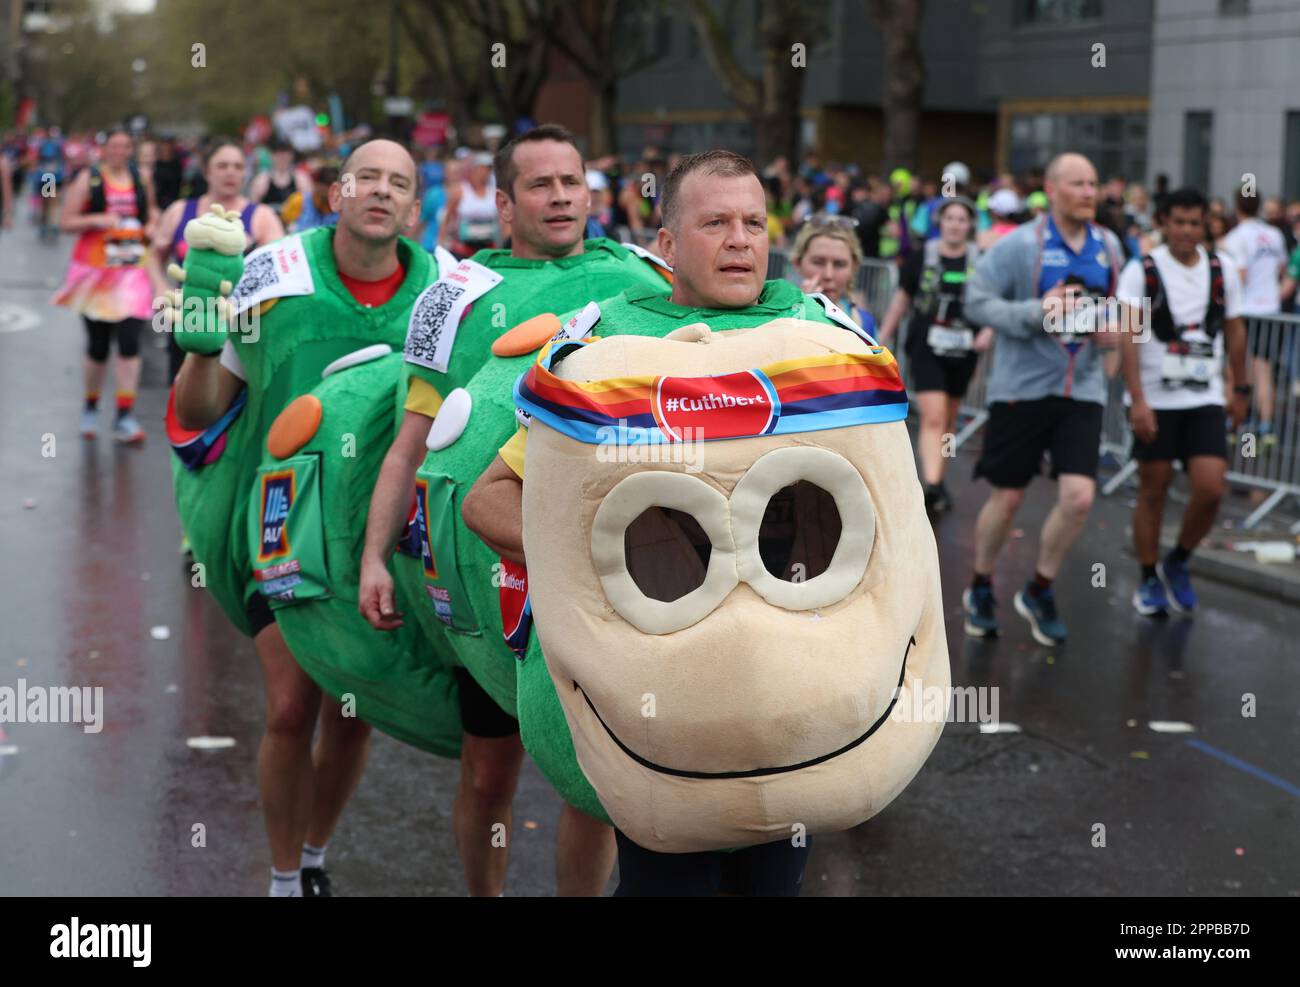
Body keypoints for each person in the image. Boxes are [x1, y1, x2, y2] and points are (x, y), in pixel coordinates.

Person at [461, 149, 864, 897]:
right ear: (669, 246)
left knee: (771, 882)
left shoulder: (819, 336)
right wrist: (611, 557)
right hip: (660, 693)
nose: (740, 239)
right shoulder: (606, 346)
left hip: (787, 682)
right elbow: (487, 500)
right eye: (715, 222)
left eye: (753, 222)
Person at [358, 125, 669, 897]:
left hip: (608, 566)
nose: (561, 196)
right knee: (490, 772)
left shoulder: (643, 279)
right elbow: (410, 443)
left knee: (592, 781)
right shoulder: (453, 297)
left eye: (572, 181)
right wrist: (372, 558)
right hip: (483, 573)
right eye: (540, 184)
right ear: (502, 202)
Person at [171, 140, 433, 896]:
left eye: (399, 183)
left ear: (415, 205)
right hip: (281, 518)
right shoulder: (271, 277)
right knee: (290, 707)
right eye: (366, 178)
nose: (381, 191)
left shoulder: (444, 290)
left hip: (379, 532)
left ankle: (314, 854)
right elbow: (199, 410)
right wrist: (198, 344)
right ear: (333, 194)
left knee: (353, 713)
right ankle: (283, 879)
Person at [963, 152, 1124, 646]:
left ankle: (1039, 588)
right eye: (1077, 184)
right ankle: (982, 585)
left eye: (1093, 183)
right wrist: (1038, 311)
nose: (1088, 193)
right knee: (1008, 497)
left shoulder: (1109, 247)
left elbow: (1123, 310)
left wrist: (1115, 329)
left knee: (1079, 497)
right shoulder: (1020, 247)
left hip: (1084, 389)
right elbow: (976, 301)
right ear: (1051, 191)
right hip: (1023, 389)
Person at [1116, 187, 1248, 616]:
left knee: (1211, 488)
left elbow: (1235, 330)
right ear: (1164, 223)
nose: (1187, 231)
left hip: (1205, 394)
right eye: (1179, 222)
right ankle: (1149, 577)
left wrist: (1239, 388)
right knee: (1154, 489)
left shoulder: (1222, 267)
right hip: (1155, 397)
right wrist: (1137, 400)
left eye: (1195, 223)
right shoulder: (1142, 270)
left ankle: (1179, 560)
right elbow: (1129, 337)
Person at [879, 196, 993, 514]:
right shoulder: (922, 257)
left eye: (962, 219)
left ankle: (938, 479)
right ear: (939, 222)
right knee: (934, 416)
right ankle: (928, 485)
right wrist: (880, 339)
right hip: (926, 346)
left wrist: (989, 331)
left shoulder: (980, 260)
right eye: (950, 218)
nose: (955, 225)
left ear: (970, 225)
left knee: (950, 419)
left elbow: (995, 302)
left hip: (964, 349)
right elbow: (901, 301)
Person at [148, 137, 284, 380]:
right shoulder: (181, 211)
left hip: (243, 328)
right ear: (206, 171)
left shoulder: (261, 216)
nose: (230, 173)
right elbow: (154, 255)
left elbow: (279, 271)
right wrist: (160, 287)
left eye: (238, 166)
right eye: (222, 166)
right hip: (190, 319)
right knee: (183, 403)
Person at [53, 129, 157, 444]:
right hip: (96, 274)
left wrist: (150, 226)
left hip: (132, 272)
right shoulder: (89, 179)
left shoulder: (142, 178)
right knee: (98, 347)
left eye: (125, 146)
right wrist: (97, 220)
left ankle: (125, 414)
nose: (120, 151)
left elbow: (150, 212)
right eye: (114, 145)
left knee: (129, 343)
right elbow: (65, 222)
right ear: (105, 149)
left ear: (130, 150)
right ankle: (91, 406)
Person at [1221, 188, 1286, 449]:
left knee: (1237, 369)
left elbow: (1240, 276)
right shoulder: (1274, 234)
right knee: (1264, 370)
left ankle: (1236, 424)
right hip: (1270, 309)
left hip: (1245, 311)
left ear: (1237, 206)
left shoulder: (1235, 238)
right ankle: (1266, 427)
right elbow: (1280, 269)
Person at [791, 213, 871, 324]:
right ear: (797, 263)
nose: (829, 275)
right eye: (818, 262)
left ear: (854, 267)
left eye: (839, 264)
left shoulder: (865, 322)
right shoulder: (778, 316)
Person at [441, 151, 499, 256]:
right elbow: (446, 218)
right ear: (475, 169)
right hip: (462, 249)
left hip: (487, 248)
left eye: (489, 169)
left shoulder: (493, 192)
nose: (486, 172)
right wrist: (441, 244)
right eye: (484, 168)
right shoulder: (460, 191)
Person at [249, 138, 311, 219]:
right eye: (278, 154)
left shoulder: (301, 179)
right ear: (272, 155)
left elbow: (310, 210)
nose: (282, 157)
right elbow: (251, 210)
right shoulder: (262, 180)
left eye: (285, 153)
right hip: (268, 225)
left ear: (291, 155)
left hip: (294, 226)